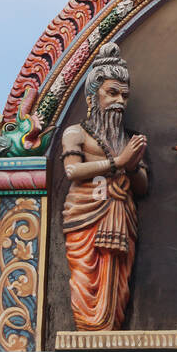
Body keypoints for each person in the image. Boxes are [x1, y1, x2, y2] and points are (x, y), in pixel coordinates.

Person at [59, 43, 149, 331]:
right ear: (92, 95)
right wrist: (117, 163)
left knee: (119, 283)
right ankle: (88, 331)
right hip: (86, 215)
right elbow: (72, 170)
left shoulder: (129, 139)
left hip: (121, 216)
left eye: (124, 95)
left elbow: (142, 187)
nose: (119, 101)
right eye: (112, 93)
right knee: (86, 276)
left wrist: (132, 165)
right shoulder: (77, 134)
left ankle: (110, 332)